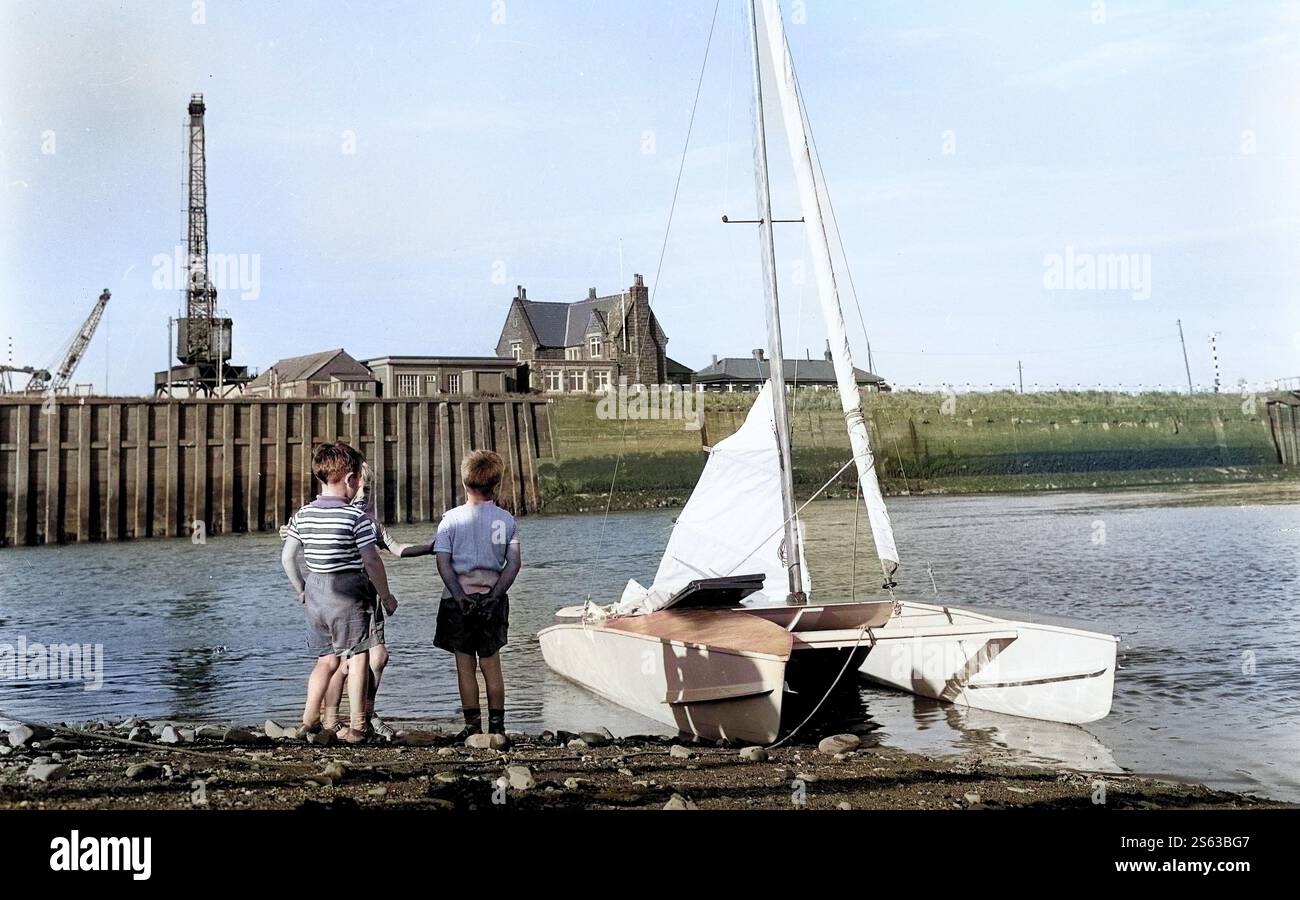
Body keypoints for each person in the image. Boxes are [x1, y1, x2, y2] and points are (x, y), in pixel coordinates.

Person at [282, 461, 428, 741]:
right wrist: (386, 595)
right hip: (353, 595)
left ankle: (311, 720)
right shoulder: (356, 519)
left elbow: (288, 556)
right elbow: (372, 560)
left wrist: (302, 589)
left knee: (328, 660)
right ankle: (357, 724)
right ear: (349, 481)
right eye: (359, 485)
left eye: (368, 488)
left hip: (318, 594)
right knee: (357, 658)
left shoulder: (308, 515)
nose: (362, 493)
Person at [433, 450, 522, 738]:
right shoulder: (506, 520)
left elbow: (443, 563)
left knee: (465, 666)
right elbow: (514, 564)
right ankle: (498, 727)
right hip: (491, 601)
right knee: (491, 664)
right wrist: (495, 595)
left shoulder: (450, 520)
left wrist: (459, 596)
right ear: (495, 485)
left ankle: (472, 727)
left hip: (458, 602)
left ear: (464, 483)